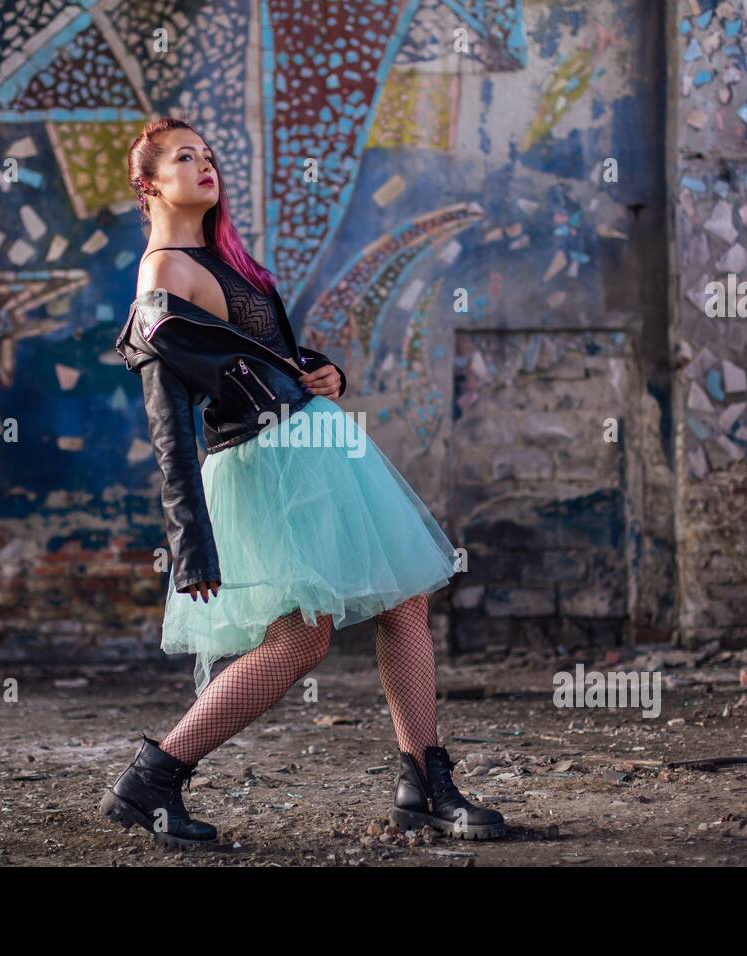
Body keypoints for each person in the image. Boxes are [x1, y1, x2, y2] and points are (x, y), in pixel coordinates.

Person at [100, 117, 506, 848]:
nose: (205, 165)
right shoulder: (164, 272)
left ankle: (424, 780)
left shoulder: (225, 260)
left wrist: (321, 371)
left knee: (405, 600)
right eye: (184, 157)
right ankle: (153, 776)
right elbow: (169, 422)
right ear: (149, 183)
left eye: (210, 154)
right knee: (299, 642)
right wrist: (191, 542)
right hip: (262, 466)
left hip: (310, 444)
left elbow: (261, 355)